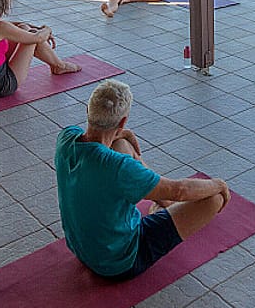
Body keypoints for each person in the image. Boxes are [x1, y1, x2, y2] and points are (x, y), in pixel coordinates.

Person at [55, 79, 229, 279]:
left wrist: (122, 134)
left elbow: (97, 138)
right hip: (119, 263)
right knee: (214, 199)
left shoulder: (66, 137)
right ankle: (164, 206)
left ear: (88, 110)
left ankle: (163, 203)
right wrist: (219, 184)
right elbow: (180, 190)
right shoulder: (117, 167)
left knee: (120, 144)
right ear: (122, 121)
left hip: (81, 250)